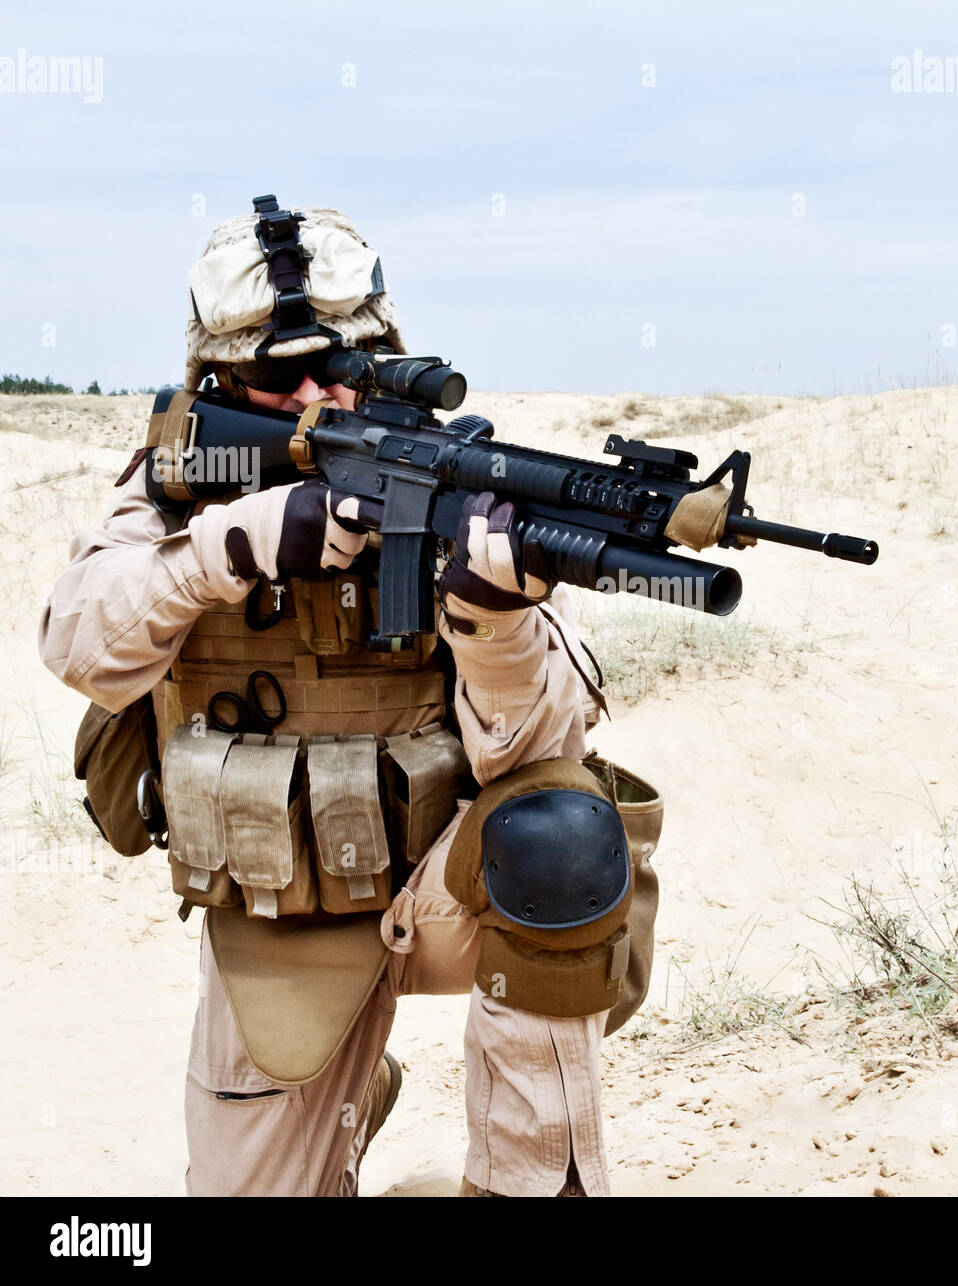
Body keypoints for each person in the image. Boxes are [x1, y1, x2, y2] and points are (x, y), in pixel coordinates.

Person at [37, 198, 662, 1197]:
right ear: (220, 381)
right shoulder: (175, 484)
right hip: (275, 896)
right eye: (281, 378)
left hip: (448, 886)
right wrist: (226, 547)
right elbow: (77, 639)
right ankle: (347, 1089)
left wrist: (494, 629)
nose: (321, 393)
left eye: (351, 366)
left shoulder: (460, 489)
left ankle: (532, 1180)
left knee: (561, 832)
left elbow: (549, 747)